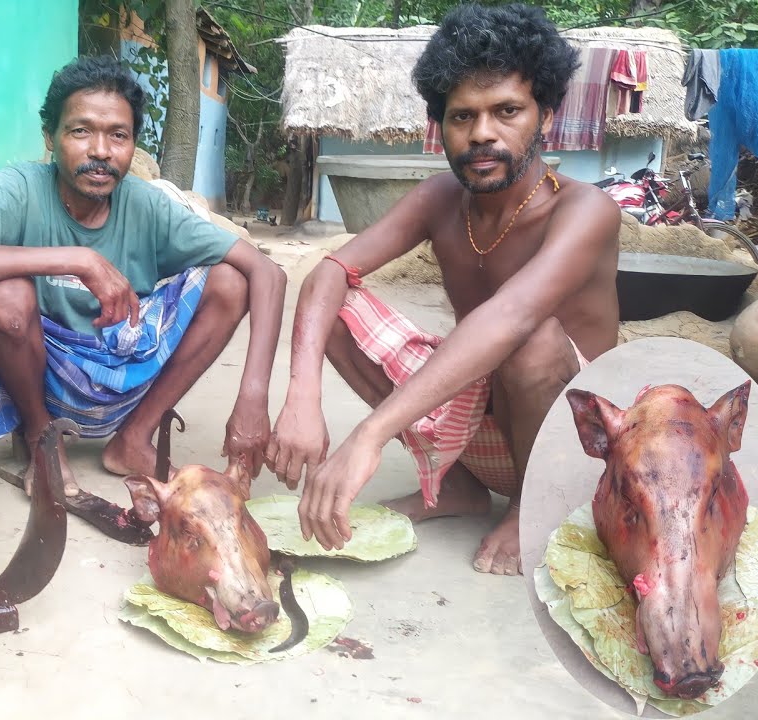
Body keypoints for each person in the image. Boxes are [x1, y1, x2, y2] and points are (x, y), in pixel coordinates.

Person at [264, 3, 622, 575]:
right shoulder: (439, 199)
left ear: (545, 116)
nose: (483, 134)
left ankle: (535, 506)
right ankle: (456, 486)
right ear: (441, 126)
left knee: (530, 343)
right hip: (491, 426)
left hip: (580, 443)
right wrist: (301, 396)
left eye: (507, 111)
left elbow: (511, 318)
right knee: (335, 309)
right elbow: (330, 272)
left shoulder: (585, 210)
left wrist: (368, 436)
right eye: (462, 117)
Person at [0, 55, 287, 494]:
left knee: (231, 281)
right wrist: (77, 259)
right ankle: (40, 439)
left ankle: (133, 438)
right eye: (80, 131)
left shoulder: (146, 204)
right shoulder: (21, 188)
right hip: (38, 375)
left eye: (118, 135)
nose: (101, 151)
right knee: (5, 296)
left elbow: (269, 273)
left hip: (122, 372)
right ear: (49, 138)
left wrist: (253, 397)